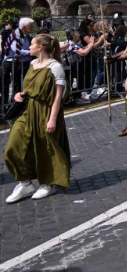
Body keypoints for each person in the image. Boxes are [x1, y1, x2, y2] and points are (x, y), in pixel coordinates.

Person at [4, 34, 70, 203]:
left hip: (46, 111)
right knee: (13, 146)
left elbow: (58, 97)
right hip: (28, 110)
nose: (30, 47)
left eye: (32, 44)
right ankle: (25, 183)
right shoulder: (33, 64)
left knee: (45, 148)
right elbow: (30, 87)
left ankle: (47, 183)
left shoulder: (55, 67)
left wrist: (52, 119)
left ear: (40, 47)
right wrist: (21, 94)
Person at [2, 17, 35, 104]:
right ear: (24, 27)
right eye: (30, 26)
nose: (32, 28)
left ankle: (17, 103)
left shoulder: (27, 36)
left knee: (20, 84)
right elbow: (15, 50)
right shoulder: (15, 35)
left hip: (21, 62)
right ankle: (7, 104)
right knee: (7, 84)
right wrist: (30, 52)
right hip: (11, 63)